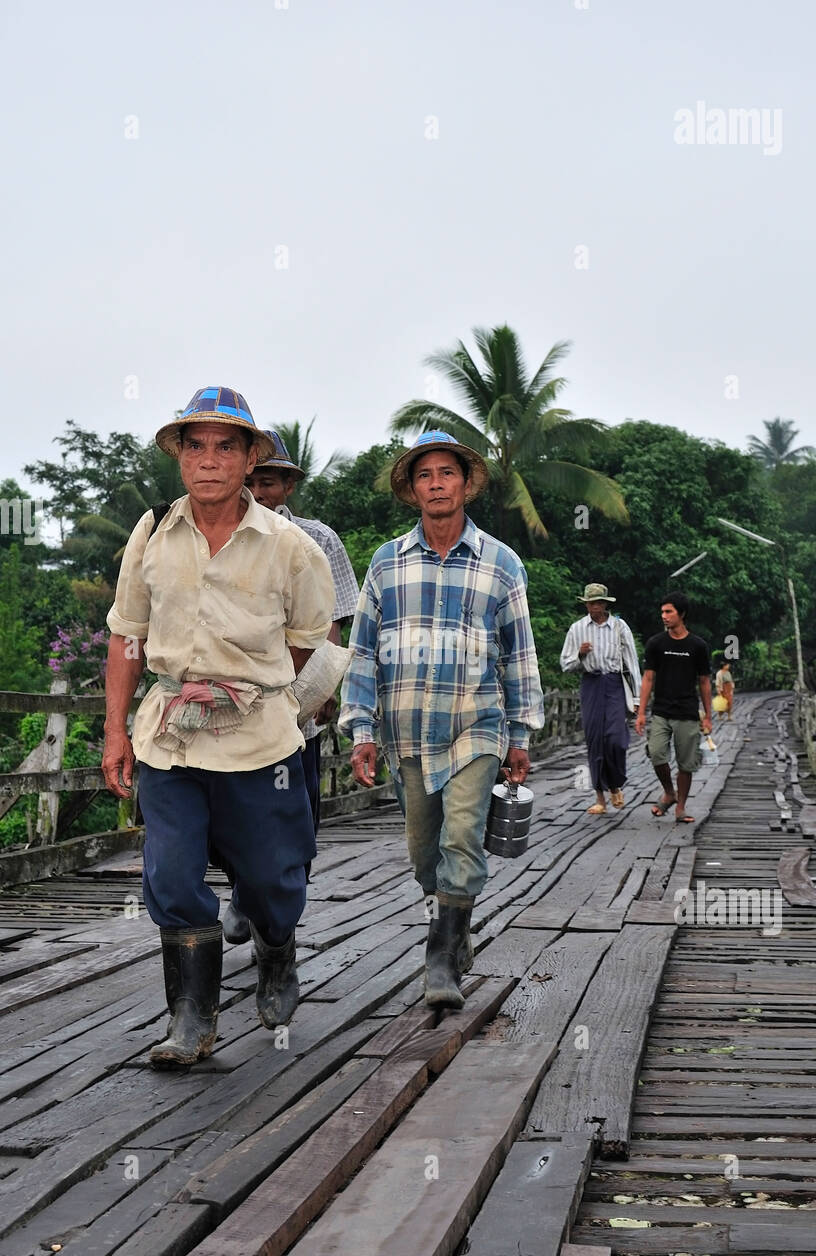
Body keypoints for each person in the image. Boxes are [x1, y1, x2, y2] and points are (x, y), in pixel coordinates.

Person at [101, 387, 335, 1067]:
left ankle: (277, 951)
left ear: (249, 458)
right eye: (195, 445)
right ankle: (192, 1023)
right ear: (179, 455)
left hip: (260, 738)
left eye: (226, 446)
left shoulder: (289, 546)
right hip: (171, 736)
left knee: (271, 879)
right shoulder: (151, 532)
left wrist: (246, 686)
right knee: (171, 877)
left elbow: (305, 641)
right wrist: (116, 730)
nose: (210, 460)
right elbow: (127, 638)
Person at [339, 430, 544, 1009]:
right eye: (424, 475)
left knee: (462, 837)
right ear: (413, 489)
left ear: (465, 483)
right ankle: (455, 931)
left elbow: (518, 651)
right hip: (406, 729)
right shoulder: (386, 563)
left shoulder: (502, 564)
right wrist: (360, 730)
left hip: (476, 722)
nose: (436, 484)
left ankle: (439, 963)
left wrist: (521, 734)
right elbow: (362, 651)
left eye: (446, 473)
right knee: (423, 852)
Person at [220, 429, 360, 946]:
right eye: (255, 480)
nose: (264, 492)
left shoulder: (318, 539)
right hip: (238, 698)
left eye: (274, 482)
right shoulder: (221, 537)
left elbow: (334, 622)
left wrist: (324, 689)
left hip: (298, 698)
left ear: (289, 487)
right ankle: (241, 891)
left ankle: (276, 920)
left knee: (296, 810)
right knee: (234, 803)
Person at [559, 582, 641, 814]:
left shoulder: (618, 627)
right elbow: (566, 663)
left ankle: (615, 783)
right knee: (595, 740)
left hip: (614, 683)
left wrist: (636, 698)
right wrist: (580, 655)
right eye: (590, 603)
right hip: (591, 683)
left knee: (615, 738)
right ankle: (600, 798)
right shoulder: (577, 629)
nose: (593, 607)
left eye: (597, 603)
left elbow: (632, 662)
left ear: (605, 604)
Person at [634, 591, 712, 824]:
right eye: (662, 612)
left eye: (669, 612)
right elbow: (648, 678)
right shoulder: (656, 643)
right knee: (656, 752)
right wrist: (640, 712)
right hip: (661, 711)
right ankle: (669, 791)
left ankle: (681, 806)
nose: (664, 616)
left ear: (682, 614)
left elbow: (705, 682)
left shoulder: (698, 646)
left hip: (687, 712)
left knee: (686, 763)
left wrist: (708, 716)